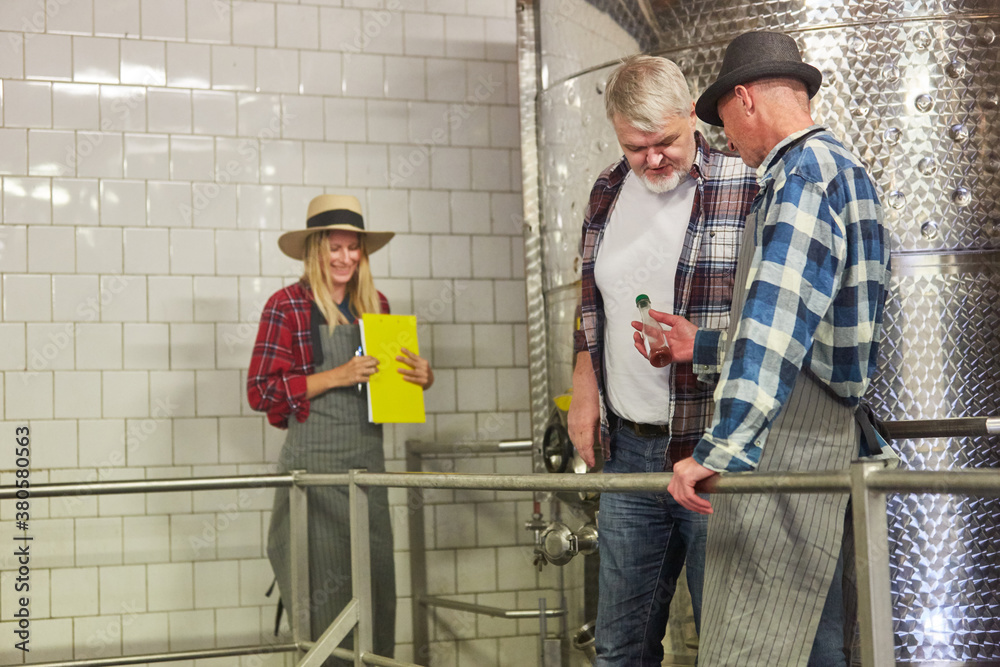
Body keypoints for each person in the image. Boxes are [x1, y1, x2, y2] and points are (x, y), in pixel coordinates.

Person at [642, 31, 890, 667]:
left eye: (722, 120)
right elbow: (818, 331)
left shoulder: (801, 178)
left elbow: (774, 329)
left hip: (788, 446)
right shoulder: (843, 169)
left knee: (770, 647)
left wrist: (721, 447)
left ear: (744, 99)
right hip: (824, 440)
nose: (725, 140)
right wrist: (703, 346)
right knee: (817, 637)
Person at [567, 54, 757, 666]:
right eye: (635, 147)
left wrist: (704, 342)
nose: (652, 159)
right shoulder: (606, 190)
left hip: (715, 450)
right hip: (630, 450)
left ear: (691, 115)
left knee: (729, 646)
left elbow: (778, 318)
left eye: (665, 142)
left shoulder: (744, 183)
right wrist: (584, 383)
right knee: (620, 647)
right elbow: (590, 298)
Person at [247, 194, 433, 665]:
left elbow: (390, 391)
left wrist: (420, 379)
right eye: (335, 247)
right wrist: (337, 376)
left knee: (376, 588)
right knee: (321, 596)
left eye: (354, 248)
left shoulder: (376, 305)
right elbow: (261, 391)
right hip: (314, 475)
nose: (345, 258)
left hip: (368, 471)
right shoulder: (286, 306)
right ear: (316, 249)